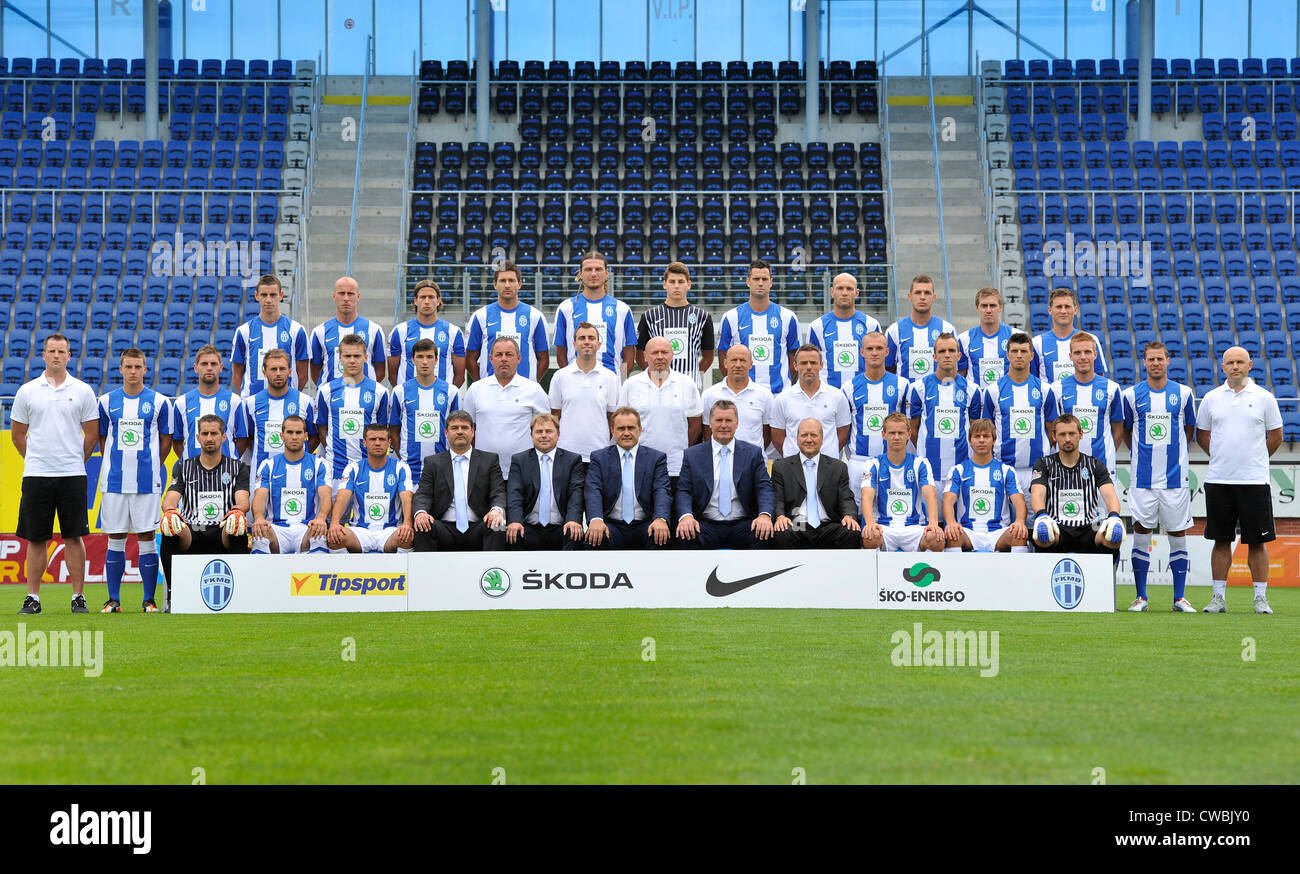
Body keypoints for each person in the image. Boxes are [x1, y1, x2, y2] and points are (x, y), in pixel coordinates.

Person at [11, 333, 99, 615]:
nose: (57, 355)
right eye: (52, 351)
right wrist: (38, 459)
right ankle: (33, 598)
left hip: (72, 474)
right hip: (36, 475)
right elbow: (17, 435)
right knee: (37, 539)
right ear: (44, 355)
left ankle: (78, 597)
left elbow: (92, 434)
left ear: (69, 356)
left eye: (62, 351)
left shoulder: (83, 390)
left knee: (74, 537)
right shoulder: (27, 391)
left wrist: (74, 459)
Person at [1195, 346, 1284, 614]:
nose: (1235, 366)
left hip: (1254, 481)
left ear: (1250, 365)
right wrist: (1223, 458)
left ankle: (1260, 598)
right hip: (1219, 480)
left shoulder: (1265, 398)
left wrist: (1254, 459)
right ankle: (1218, 598)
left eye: (1240, 362)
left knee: (1257, 542)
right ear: (1222, 367)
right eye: (1230, 362)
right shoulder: (1211, 398)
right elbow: (1202, 435)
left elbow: (1276, 436)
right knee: (1220, 540)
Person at [1120, 340, 1197, 613]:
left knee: (1178, 534)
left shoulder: (1184, 394)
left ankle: (1179, 598)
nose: (1155, 363)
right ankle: (1141, 597)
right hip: (1143, 479)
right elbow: (1127, 431)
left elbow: (1189, 430)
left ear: (1168, 361)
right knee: (1141, 532)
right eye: (1150, 359)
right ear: (1144, 362)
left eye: (1159, 359)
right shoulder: (1131, 395)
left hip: (1175, 480)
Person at [96, 348, 172, 613]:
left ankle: (148, 600)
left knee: (147, 537)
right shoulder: (106, 402)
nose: (133, 371)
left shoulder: (161, 402)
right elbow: (104, 439)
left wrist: (151, 466)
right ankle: (113, 599)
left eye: (138, 367)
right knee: (115, 538)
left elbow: (166, 441)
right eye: (128, 367)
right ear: (120, 369)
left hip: (146, 483)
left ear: (145, 370)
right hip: (114, 482)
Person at [159, 415, 250, 603]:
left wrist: (237, 511)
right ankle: (173, 593)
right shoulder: (183, 467)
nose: (209, 438)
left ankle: (239, 593)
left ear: (223, 437)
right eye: (205, 433)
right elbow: (171, 497)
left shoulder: (238, 467)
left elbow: (243, 500)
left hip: (222, 529)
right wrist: (169, 511)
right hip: (193, 531)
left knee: (237, 524)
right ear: (198, 437)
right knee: (170, 527)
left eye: (214, 433)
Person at [674, 400, 775, 549]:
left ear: (737, 423)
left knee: (764, 533)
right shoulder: (692, 455)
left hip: (743, 522)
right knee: (685, 534)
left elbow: (764, 487)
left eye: (728, 420)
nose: (723, 425)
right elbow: (684, 491)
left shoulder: (753, 453)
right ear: (710, 423)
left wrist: (765, 515)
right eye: (718, 420)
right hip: (706, 523)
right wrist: (686, 516)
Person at [1026, 414, 1125, 557]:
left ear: (1081, 434)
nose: (1067, 439)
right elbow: (1037, 494)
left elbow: (1110, 494)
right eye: (1062, 434)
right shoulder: (1043, 464)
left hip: (1088, 528)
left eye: (1072, 433)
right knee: (1043, 536)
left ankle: (1103, 578)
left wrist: (1114, 516)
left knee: (1113, 537)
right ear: (1054, 436)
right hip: (1057, 527)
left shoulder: (1095, 464)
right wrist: (1042, 515)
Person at [411, 411, 508, 551]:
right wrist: (420, 512)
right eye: (455, 428)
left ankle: (493, 571)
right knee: (422, 525)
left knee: (498, 524)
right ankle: (426, 573)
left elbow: (498, 491)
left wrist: (496, 510)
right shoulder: (433, 462)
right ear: (446, 432)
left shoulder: (489, 460)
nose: (460, 432)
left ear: (473, 431)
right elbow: (423, 494)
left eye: (465, 427)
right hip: (444, 526)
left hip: (479, 524)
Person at [463, 336, 551, 480]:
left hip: (523, 472)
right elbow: (468, 430)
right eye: (499, 355)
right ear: (491, 359)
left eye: (509, 354)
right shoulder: (475, 389)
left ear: (519, 358)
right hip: (484, 472)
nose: (504, 359)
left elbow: (546, 430)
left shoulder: (534, 390)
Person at [617, 336, 702, 485]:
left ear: (672, 355)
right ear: (644, 356)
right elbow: (620, 423)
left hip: (676, 466)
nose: (660, 357)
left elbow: (695, 423)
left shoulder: (687, 383)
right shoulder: (631, 385)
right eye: (655, 353)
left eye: (665, 352)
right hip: (640, 465)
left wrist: (679, 447)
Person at [584, 408, 672, 549]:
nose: (626, 433)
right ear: (612, 431)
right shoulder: (599, 458)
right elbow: (593, 490)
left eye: (631, 428)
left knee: (660, 536)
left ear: (640, 429)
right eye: (621, 428)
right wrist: (595, 519)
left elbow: (662, 490)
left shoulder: (656, 458)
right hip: (611, 524)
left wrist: (660, 518)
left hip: (645, 524)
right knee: (594, 538)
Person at [314, 333, 390, 493]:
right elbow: (322, 429)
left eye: (357, 356)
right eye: (347, 356)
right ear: (340, 358)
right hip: (336, 471)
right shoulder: (326, 391)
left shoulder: (380, 391)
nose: (352, 360)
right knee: (335, 518)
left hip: (369, 470)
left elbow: (381, 430)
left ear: (366, 357)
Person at [845, 330, 912, 511]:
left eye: (879, 348)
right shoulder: (849, 387)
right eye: (870, 348)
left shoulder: (902, 385)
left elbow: (908, 425)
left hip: (892, 462)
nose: (874, 352)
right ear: (862, 352)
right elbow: (846, 429)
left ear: (887, 352)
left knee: (890, 512)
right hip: (859, 461)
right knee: (858, 514)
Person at [1043, 331, 1125, 477]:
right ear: (1070, 356)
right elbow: (1052, 428)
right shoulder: (1057, 389)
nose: (1083, 357)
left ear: (1095, 355)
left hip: (1103, 467)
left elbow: (1118, 430)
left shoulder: (1112, 388)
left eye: (1087, 352)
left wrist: (1107, 452)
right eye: (1077, 353)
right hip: (1066, 469)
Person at [907, 333, 982, 493]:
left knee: (956, 518)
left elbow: (975, 431)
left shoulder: (972, 390)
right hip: (928, 472)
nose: (947, 355)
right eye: (941, 351)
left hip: (960, 470)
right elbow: (913, 430)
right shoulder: (919, 388)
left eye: (951, 350)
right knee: (930, 518)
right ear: (934, 356)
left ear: (959, 355)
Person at [770, 418, 861, 549]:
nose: (808, 440)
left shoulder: (838, 467)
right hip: (796, 524)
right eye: (804, 435)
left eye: (813, 435)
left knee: (851, 532)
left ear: (822, 439)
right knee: (782, 533)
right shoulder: (781, 467)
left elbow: (846, 498)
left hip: (828, 525)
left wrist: (849, 515)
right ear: (797, 439)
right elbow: (778, 499)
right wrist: (780, 516)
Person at [942, 418, 1029, 552]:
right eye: (977, 436)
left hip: (998, 532)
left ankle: (1018, 573)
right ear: (970, 441)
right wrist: (951, 522)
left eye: (986, 436)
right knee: (952, 535)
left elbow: (1019, 502)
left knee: (1019, 534)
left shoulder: (1007, 470)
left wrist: (1019, 522)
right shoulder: (958, 470)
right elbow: (948, 501)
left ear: (994, 440)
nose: (981, 440)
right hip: (968, 532)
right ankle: (956, 573)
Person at [249, 415, 332, 555]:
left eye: (299, 433)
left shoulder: (320, 464)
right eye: (290, 432)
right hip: (277, 529)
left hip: (307, 527)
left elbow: (326, 497)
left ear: (305, 436)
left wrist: (321, 518)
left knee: (319, 536)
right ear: (282, 435)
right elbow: (259, 496)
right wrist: (259, 519)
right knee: (260, 536)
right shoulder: (268, 465)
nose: (294, 437)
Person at [861, 413, 943, 552]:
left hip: (914, 527)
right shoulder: (873, 464)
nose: (897, 437)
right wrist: (870, 523)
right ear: (883, 434)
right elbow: (866, 496)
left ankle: (927, 572)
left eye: (901, 433)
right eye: (892, 433)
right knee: (870, 536)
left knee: (936, 539)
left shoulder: (921, 463)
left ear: (909, 434)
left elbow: (930, 495)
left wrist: (934, 523)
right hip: (884, 527)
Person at [716, 259, 801, 393]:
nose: (760, 283)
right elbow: (723, 360)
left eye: (764, 279)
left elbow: (794, 359)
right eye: (756, 279)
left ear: (771, 282)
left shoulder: (788, 317)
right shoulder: (731, 317)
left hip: (778, 396)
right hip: (743, 395)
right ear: (748, 281)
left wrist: (782, 384)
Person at [977, 331, 1049, 489]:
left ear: (1031, 355)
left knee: (1037, 513)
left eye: (1024, 351)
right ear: (1007, 355)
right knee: (1004, 515)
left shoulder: (1044, 389)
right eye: (1015, 351)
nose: (1019, 355)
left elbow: (1051, 430)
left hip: (1037, 470)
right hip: (1003, 468)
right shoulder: (993, 390)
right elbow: (988, 431)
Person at [328, 424, 414, 554]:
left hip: (390, 531)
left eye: (382, 439)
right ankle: (346, 573)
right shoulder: (353, 468)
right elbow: (342, 498)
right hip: (360, 531)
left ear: (389, 442)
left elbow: (407, 498)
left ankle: (398, 574)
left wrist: (407, 524)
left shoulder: (401, 467)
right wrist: (334, 523)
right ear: (364, 442)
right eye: (373, 439)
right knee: (335, 538)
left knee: (406, 537)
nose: (377, 443)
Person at [505, 414, 586, 550]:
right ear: (531, 435)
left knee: (574, 533)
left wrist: (573, 519)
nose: (544, 435)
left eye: (549, 431)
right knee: (514, 533)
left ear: (558, 434)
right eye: (538, 431)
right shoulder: (520, 460)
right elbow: (514, 494)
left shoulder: (572, 460)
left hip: (562, 526)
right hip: (529, 526)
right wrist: (515, 521)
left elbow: (576, 494)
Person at [233, 349, 317, 478]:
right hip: (262, 475)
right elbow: (248, 437)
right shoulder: (251, 403)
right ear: (264, 372)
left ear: (289, 372)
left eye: (282, 369)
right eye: (273, 369)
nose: (278, 373)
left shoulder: (305, 402)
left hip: (296, 474)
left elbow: (314, 437)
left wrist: (297, 453)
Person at [553, 251, 637, 378]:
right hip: (576, 382)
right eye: (588, 269)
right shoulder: (566, 308)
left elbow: (629, 354)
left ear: (606, 273)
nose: (593, 274)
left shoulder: (622, 309)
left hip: (611, 383)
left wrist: (620, 381)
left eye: (598, 269)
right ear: (580, 274)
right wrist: (569, 379)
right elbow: (561, 352)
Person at [388, 338, 460, 482]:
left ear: (437, 360)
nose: (425, 362)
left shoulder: (451, 391)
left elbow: (455, 430)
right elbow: (394, 431)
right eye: (420, 357)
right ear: (413, 360)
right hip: (409, 472)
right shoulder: (399, 391)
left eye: (429, 357)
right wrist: (403, 457)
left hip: (441, 470)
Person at [548, 321, 619, 465]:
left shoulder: (610, 377)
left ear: (599, 344)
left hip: (600, 454)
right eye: (582, 338)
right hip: (566, 454)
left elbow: (612, 417)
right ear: (574, 344)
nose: (586, 342)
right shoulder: (560, 376)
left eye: (591, 338)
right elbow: (555, 415)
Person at [465, 261, 550, 381]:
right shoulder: (480, 316)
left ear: (519, 284)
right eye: (502, 281)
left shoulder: (535, 316)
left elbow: (544, 359)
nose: (507, 285)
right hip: (490, 391)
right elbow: (469, 358)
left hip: (524, 393)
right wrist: (481, 384)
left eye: (511, 280)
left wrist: (532, 384)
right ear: (495, 284)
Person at [635, 261, 715, 388]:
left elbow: (708, 356)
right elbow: (639, 354)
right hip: (658, 385)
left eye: (681, 282)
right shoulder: (650, 316)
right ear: (664, 284)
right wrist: (654, 374)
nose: (676, 286)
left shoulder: (702, 316)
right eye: (672, 282)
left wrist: (692, 375)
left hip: (690, 386)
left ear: (688, 285)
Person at [229, 273, 310, 396]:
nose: (268, 300)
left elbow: (303, 375)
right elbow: (236, 374)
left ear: (281, 295)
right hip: (253, 405)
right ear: (256, 296)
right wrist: (247, 400)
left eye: (273, 295)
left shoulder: (296, 330)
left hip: (287, 405)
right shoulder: (244, 331)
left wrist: (291, 397)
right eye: (264, 295)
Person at [770, 345, 851, 458]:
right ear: (795, 366)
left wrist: (825, 458)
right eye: (803, 363)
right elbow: (777, 438)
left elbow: (843, 434)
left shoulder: (837, 396)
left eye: (813, 363)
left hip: (828, 468)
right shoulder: (782, 399)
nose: (808, 367)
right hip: (793, 468)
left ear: (821, 365)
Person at [807, 271, 882, 390]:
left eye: (849, 289)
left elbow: (880, 363)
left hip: (862, 392)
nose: (844, 293)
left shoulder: (871, 325)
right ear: (832, 292)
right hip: (828, 395)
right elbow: (810, 363)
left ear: (856, 293)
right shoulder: (817, 326)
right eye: (840, 288)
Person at [309, 276, 387, 385]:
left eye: (350, 294)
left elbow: (380, 370)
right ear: (334, 296)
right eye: (341, 293)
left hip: (364, 398)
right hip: (332, 397)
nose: (346, 298)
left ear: (358, 296)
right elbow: (315, 368)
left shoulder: (374, 330)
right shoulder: (320, 331)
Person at [388, 278, 466, 387]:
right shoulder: (400, 331)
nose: (427, 301)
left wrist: (445, 395)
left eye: (431, 297)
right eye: (422, 297)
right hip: (408, 399)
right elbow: (392, 375)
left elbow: (460, 376)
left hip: (441, 400)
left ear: (438, 300)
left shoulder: (454, 332)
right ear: (415, 300)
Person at [171, 345, 242, 461]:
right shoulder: (181, 403)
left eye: (213, 364)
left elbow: (242, 440)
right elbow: (177, 442)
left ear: (221, 368)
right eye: (204, 364)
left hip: (225, 472)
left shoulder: (234, 401)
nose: (209, 368)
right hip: (192, 473)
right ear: (195, 368)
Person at [700, 345, 773, 455]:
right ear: (725, 363)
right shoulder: (709, 394)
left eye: (743, 360)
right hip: (720, 460)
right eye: (734, 360)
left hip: (753, 463)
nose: (738, 365)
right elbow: (707, 431)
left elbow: (768, 433)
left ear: (751, 364)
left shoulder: (765, 395)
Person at [885, 274, 956, 381]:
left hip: (937, 395)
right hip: (907, 396)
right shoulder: (894, 330)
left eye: (927, 293)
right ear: (910, 296)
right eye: (918, 293)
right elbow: (888, 368)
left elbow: (954, 367)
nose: (922, 297)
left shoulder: (947, 329)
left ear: (934, 297)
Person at [1032, 287, 1108, 384]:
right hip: (1050, 399)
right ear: (1049, 310)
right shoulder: (1037, 343)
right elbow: (1033, 380)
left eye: (1067, 306)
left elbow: (1099, 378)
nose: (1063, 311)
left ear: (1075, 310)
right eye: (1059, 307)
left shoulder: (1090, 340)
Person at [958, 286, 1015, 391]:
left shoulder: (1015, 337)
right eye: (984, 306)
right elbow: (960, 376)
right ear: (977, 307)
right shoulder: (964, 339)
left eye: (992, 305)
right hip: (977, 404)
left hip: (1005, 403)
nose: (988, 310)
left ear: (1001, 307)